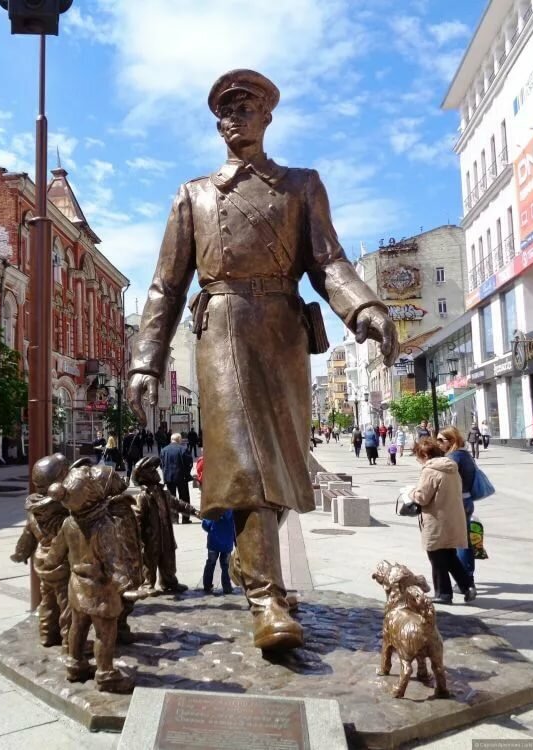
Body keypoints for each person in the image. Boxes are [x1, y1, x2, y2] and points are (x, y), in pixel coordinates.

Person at [127, 68, 399, 651]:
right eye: (224, 111)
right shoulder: (194, 195)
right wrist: (145, 361)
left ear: (267, 116)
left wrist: (365, 309)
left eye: (244, 108)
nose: (233, 118)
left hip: (282, 332)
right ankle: (267, 596)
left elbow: (327, 262)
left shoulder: (301, 184)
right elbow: (164, 288)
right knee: (245, 462)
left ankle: (262, 573)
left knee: (277, 464)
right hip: (221, 327)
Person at [409, 437, 476, 605]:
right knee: (450, 555)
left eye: (418, 456)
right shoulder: (452, 468)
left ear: (425, 454)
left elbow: (423, 498)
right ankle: (467, 585)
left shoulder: (430, 470)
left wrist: (410, 492)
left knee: (436, 556)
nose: (418, 460)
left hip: (437, 519)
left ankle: (443, 594)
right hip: (453, 516)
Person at [439, 426, 479, 583]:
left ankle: (464, 578)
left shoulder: (453, 458)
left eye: (441, 440)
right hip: (467, 499)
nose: (438, 443)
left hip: (458, 501)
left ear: (451, 440)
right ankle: (468, 575)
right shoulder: (465, 455)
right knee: (464, 539)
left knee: (459, 541)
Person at [159, 433, 195, 523]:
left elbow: (161, 464)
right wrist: (187, 473)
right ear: (179, 440)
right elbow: (189, 463)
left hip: (169, 478)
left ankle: (174, 518)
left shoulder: (164, 450)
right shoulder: (183, 449)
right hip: (181, 477)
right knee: (184, 497)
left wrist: (165, 472)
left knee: (171, 498)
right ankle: (185, 518)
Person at [202, 509, 236, 595]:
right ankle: (227, 587)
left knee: (210, 563)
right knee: (226, 566)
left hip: (213, 541)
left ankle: (207, 585)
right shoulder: (232, 511)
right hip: (227, 543)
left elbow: (205, 524)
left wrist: (211, 529)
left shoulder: (214, 508)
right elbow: (235, 528)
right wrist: (236, 542)